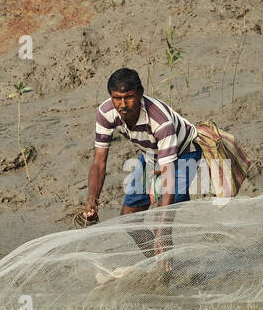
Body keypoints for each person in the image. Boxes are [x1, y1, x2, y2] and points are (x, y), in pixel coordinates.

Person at [82, 69, 203, 259]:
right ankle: (158, 263)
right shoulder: (106, 113)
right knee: (129, 218)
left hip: (183, 154)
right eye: (117, 98)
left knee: (163, 222)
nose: (123, 104)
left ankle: (168, 269)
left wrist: (162, 232)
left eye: (129, 97)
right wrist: (92, 202)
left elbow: (168, 175)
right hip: (151, 154)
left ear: (140, 93)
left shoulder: (159, 120)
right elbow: (99, 162)